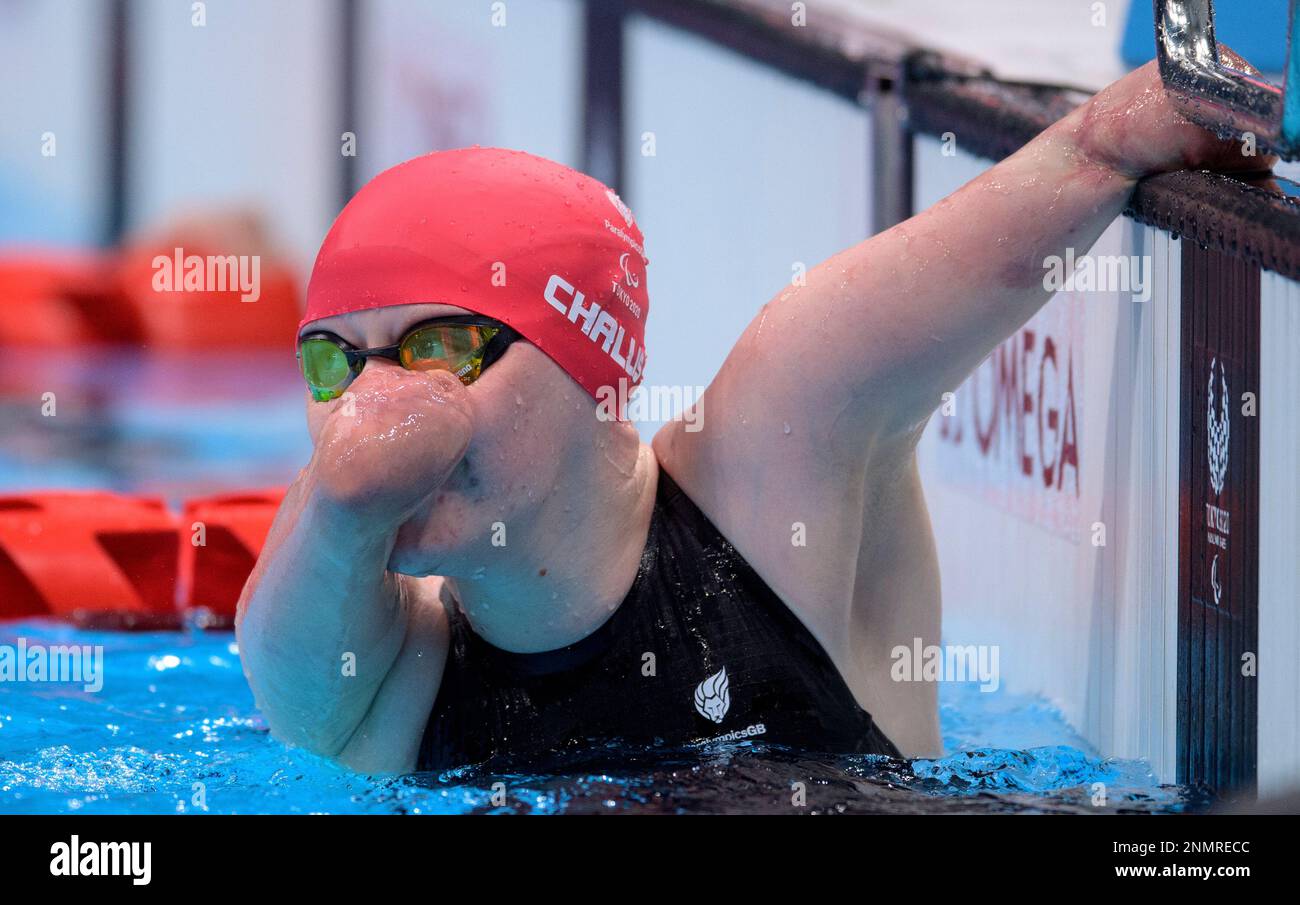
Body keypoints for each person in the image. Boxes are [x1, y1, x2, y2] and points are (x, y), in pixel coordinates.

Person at [235, 58, 1265, 774]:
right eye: (335, 360)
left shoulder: (769, 484)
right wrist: (341, 502)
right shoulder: (391, 673)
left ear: (592, 367)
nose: (376, 407)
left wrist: (1181, 103)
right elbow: (285, 665)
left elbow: (1091, 152)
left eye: (439, 347)